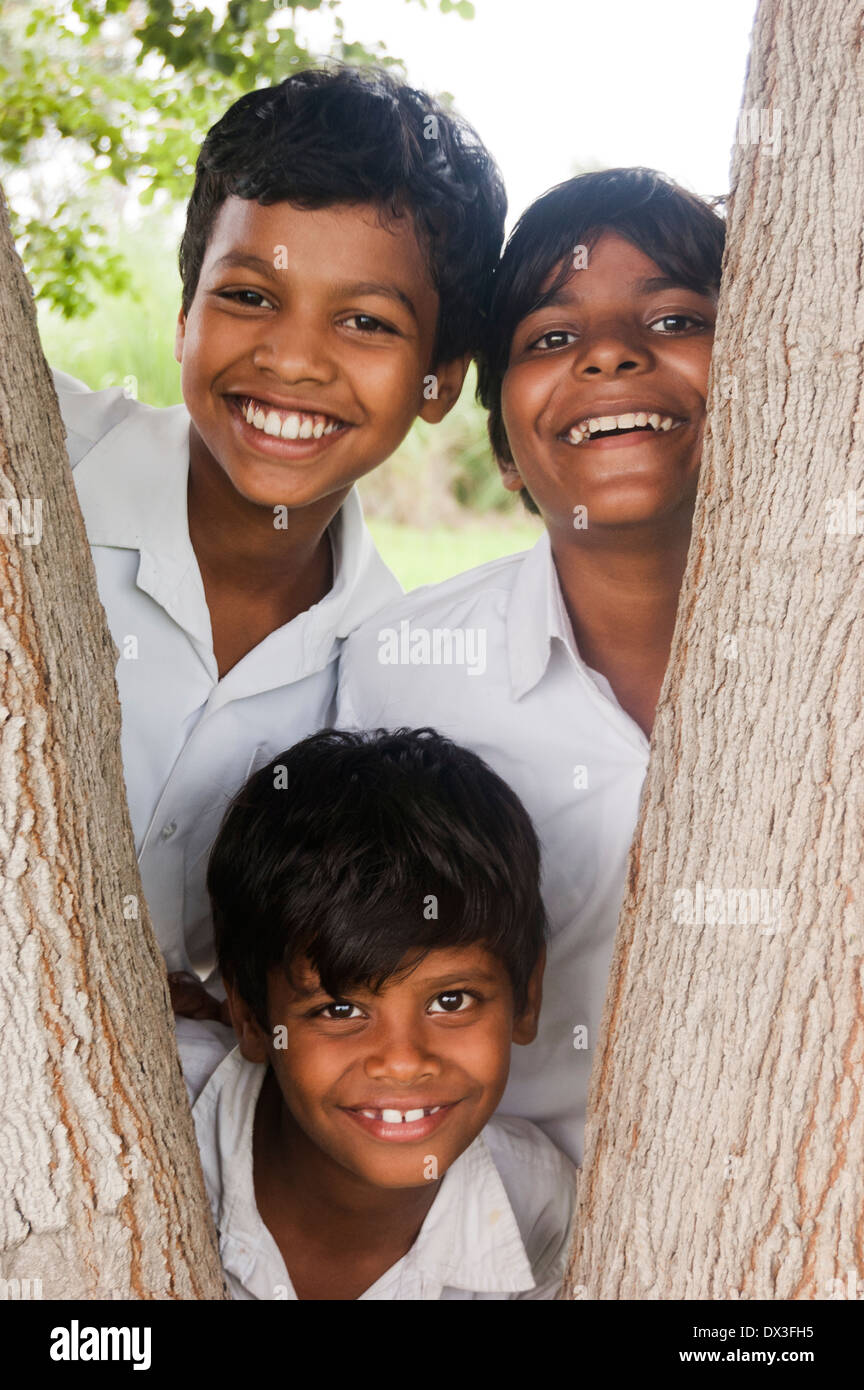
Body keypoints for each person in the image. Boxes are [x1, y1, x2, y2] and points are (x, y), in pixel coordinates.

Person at [54, 65, 506, 988]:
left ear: (442, 381)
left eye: (366, 322)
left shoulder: (389, 685)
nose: (294, 360)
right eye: (250, 297)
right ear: (184, 317)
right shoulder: (41, 460)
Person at [337, 168, 726, 1163]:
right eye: (551, 338)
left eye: (677, 320)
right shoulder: (400, 673)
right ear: (506, 453)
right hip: (521, 1213)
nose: (611, 353)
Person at [175, 728, 576, 1300]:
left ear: (526, 997)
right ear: (250, 1016)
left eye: (451, 1001)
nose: (404, 1062)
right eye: (340, 1009)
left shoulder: (543, 1217)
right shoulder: (146, 1113)